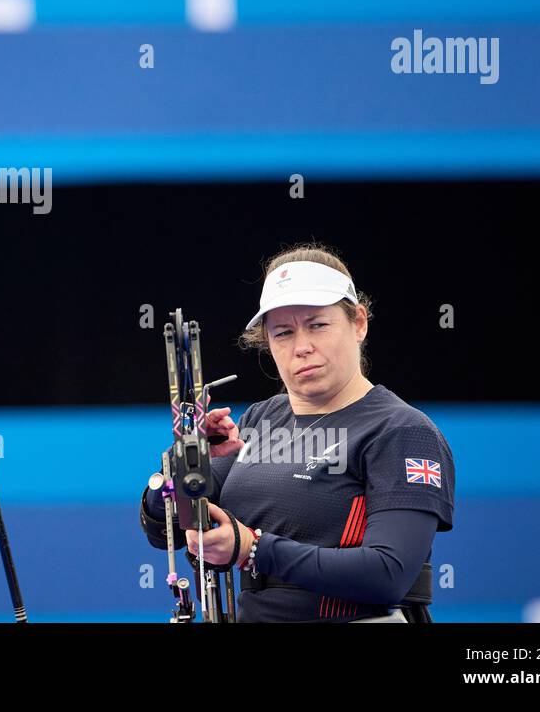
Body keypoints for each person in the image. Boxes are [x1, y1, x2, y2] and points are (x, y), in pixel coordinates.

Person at [139, 244, 454, 622]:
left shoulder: (401, 430)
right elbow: (165, 531)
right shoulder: (258, 421)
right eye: (283, 332)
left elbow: (389, 576)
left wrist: (252, 548)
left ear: (358, 323)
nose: (301, 347)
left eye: (318, 325)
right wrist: (183, 466)